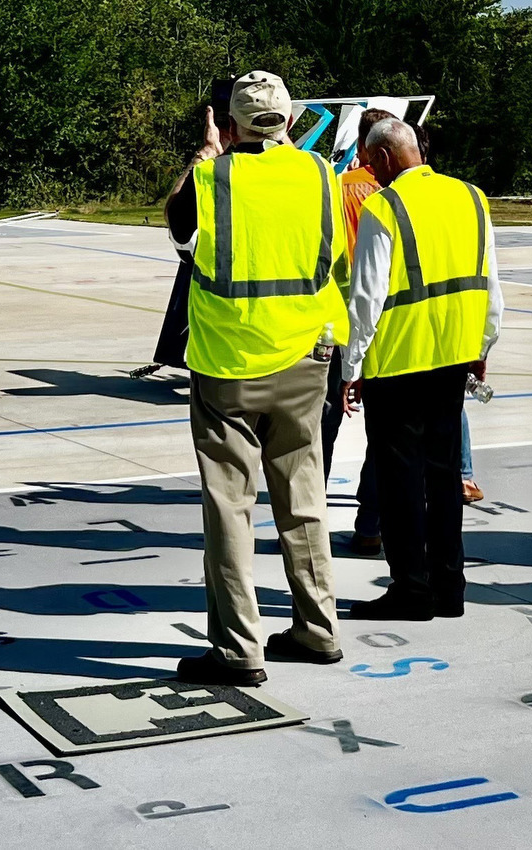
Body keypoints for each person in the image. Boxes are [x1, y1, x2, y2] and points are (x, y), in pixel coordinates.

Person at [161, 71, 347, 685]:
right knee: (304, 501)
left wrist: (204, 155)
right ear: (290, 119)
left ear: (230, 122)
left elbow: (179, 232)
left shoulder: (212, 181)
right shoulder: (324, 176)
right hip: (307, 356)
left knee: (230, 508)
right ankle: (318, 629)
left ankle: (238, 649)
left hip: (228, 366)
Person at [339, 119, 503, 619]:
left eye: (370, 162)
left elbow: (367, 296)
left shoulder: (383, 208)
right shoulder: (471, 197)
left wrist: (352, 366)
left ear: (386, 158)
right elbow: (491, 283)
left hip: (399, 363)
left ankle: (411, 588)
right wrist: (482, 345)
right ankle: (449, 586)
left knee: (400, 483)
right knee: (443, 475)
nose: (368, 171)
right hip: (454, 358)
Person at [322, 106, 397, 556]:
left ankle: (311, 507)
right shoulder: (397, 195)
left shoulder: (339, 187)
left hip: (342, 318)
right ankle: (371, 523)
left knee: (325, 423)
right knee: (385, 431)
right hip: (387, 322)